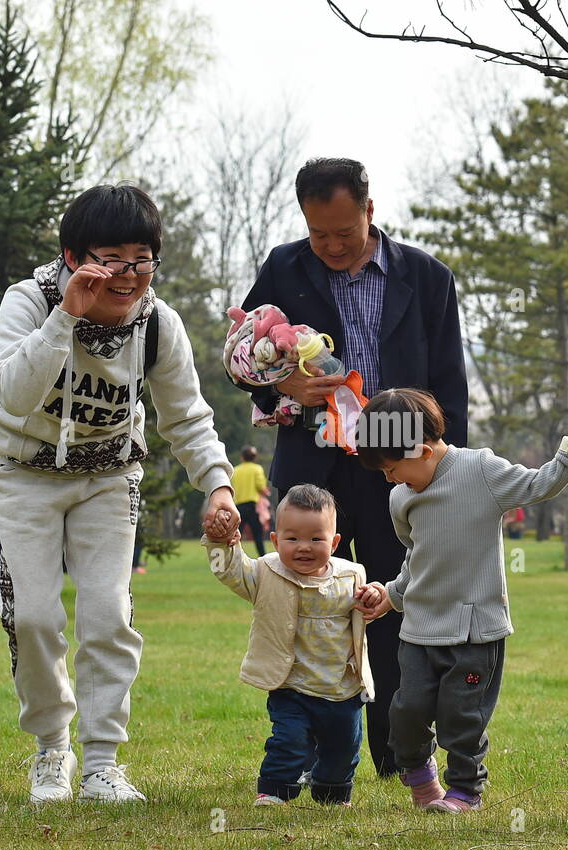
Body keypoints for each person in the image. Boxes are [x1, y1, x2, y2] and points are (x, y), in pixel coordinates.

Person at [0, 182, 239, 805]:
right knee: (34, 617)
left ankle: (102, 763)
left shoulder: (158, 324)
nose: (128, 275)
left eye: (142, 258)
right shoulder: (27, 301)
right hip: (21, 473)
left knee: (109, 614)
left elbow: (186, 416)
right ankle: (51, 750)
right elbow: (12, 395)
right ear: (73, 256)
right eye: (112, 257)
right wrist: (65, 316)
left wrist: (218, 485)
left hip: (108, 478)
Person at [232, 157, 468, 777]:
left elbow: (450, 389)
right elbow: (246, 362)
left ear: (370, 209)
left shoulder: (428, 278)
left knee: (392, 604)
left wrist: (447, 475)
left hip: (396, 460)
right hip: (311, 470)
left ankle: (401, 751)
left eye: (344, 231)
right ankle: (306, 753)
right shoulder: (284, 268)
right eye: (318, 234)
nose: (332, 246)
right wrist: (288, 389)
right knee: (306, 608)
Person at [356, 388, 568, 812]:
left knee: (461, 718)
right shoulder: (401, 497)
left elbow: (540, 483)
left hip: (474, 631)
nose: (389, 480)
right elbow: (418, 560)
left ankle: (465, 791)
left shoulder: (481, 470)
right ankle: (420, 778)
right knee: (406, 711)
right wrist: (390, 596)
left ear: (423, 450)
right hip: (419, 630)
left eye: (393, 469)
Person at [202, 484, 385, 806]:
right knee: (287, 740)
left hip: (341, 687)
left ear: (335, 542)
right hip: (290, 685)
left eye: (316, 539)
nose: (304, 547)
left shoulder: (351, 576)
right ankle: (275, 790)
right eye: (292, 539)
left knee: (343, 746)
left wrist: (374, 595)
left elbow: (365, 612)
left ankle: (332, 791)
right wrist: (220, 543)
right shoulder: (266, 572)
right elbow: (229, 571)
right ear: (275, 540)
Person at [233, 446, 270, 555]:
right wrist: (265, 492)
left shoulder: (236, 470)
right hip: (253, 506)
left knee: (236, 534)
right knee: (257, 535)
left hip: (239, 506)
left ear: (242, 457)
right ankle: (263, 557)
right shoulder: (257, 468)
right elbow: (261, 486)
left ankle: (233, 557)